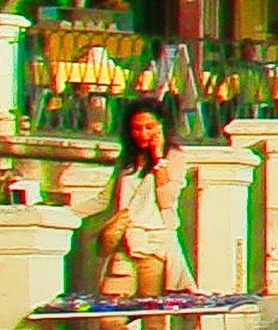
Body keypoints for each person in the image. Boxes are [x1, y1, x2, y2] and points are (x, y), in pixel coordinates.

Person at [78, 98, 196, 301]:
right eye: (137, 128)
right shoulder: (128, 160)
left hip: (154, 245)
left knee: (153, 317)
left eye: (149, 127)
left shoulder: (174, 157)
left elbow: (167, 199)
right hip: (124, 242)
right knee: (110, 316)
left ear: (160, 127)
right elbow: (104, 198)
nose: (143, 134)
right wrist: (68, 212)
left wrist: (159, 158)